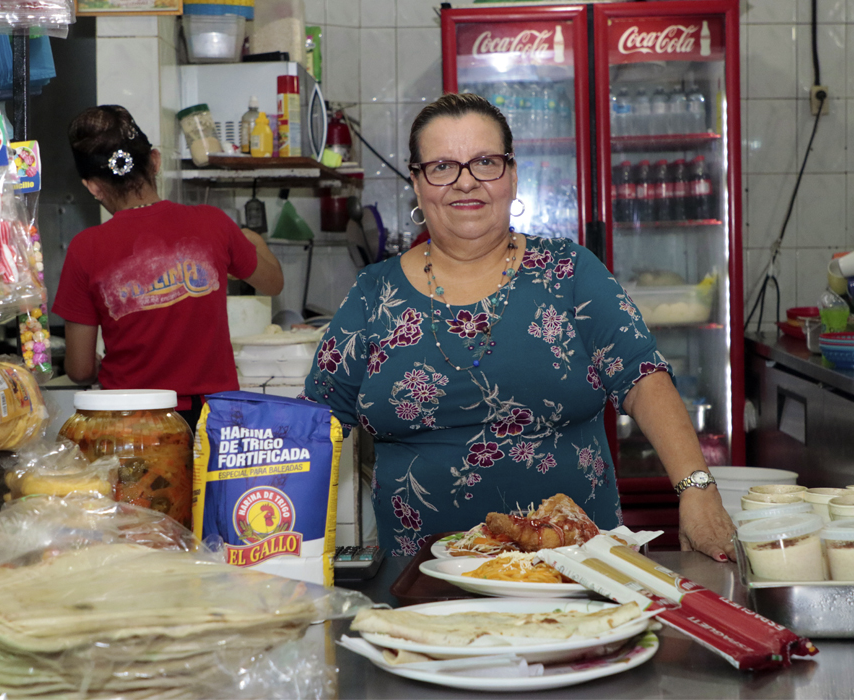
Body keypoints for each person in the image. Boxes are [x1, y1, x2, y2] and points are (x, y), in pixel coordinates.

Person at [303, 93, 735, 561]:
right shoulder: (373, 295)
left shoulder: (569, 272)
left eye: (484, 162)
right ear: (417, 182)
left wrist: (697, 488)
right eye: (443, 166)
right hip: (421, 587)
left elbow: (642, 377)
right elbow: (316, 423)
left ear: (511, 175)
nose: (465, 183)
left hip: (577, 575)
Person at [53, 105, 284, 428]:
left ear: (92, 186)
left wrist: (93, 362)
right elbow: (273, 282)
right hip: (213, 422)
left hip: (131, 424)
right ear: (156, 161)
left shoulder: (84, 248)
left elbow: (79, 371)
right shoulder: (212, 223)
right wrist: (251, 240)